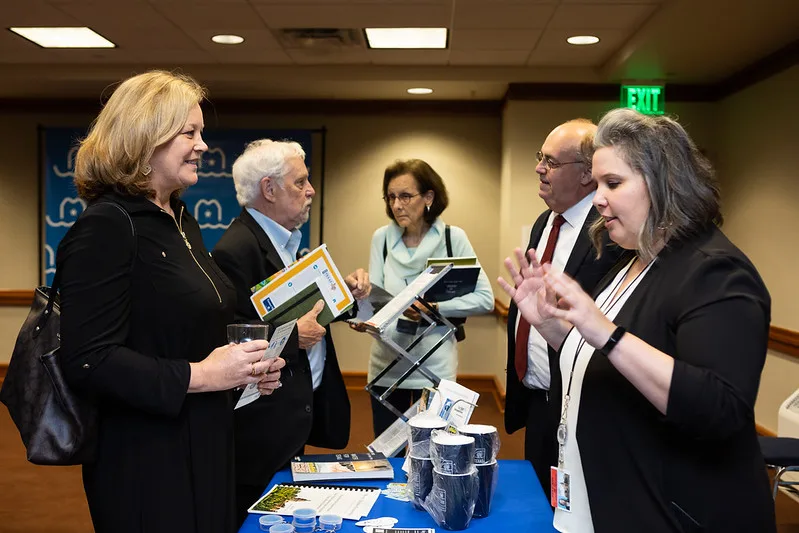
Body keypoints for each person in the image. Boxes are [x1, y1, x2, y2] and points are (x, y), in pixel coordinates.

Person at [500, 108, 776, 532]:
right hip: (608, 497)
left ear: (665, 184)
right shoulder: (635, 260)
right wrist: (550, 325)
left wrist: (604, 332)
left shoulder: (714, 271)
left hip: (674, 513)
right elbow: (602, 357)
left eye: (613, 183)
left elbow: (718, 408)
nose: (597, 198)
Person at [57, 71, 285, 533]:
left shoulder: (180, 218)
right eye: (189, 133)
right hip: (146, 458)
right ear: (145, 139)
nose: (203, 145)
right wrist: (202, 376)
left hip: (207, 439)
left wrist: (241, 374)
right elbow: (88, 360)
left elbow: (187, 329)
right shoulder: (107, 226)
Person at [212, 139, 370, 523]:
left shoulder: (286, 242)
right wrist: (291, 335)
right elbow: (232, 339)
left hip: (293, 414)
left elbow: (304, 314)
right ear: (269, 189)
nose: (311, 190)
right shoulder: (236, 249)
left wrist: (344, 293)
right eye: (300, 182)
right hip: (262, 429)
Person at [505, 119, 623, 493]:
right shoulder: (545, 222)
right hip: (540, 397)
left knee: (572, 503)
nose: (539, 168)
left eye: (552, 162)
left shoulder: (611, 231)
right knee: (539, 498)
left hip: (583, 402)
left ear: (588, 174)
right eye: (541, 158)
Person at [365, 159, 494, 437]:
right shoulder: (381, 239)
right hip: (386, 365)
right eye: (391, 197)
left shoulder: (452, 238)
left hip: (434, 367)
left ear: (428, 197)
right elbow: (376, 300)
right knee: (389, 453)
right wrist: (362, 311)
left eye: (405, 196)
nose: (397, 205)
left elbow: (485, 299)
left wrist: (433, 308)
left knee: (434, 451)